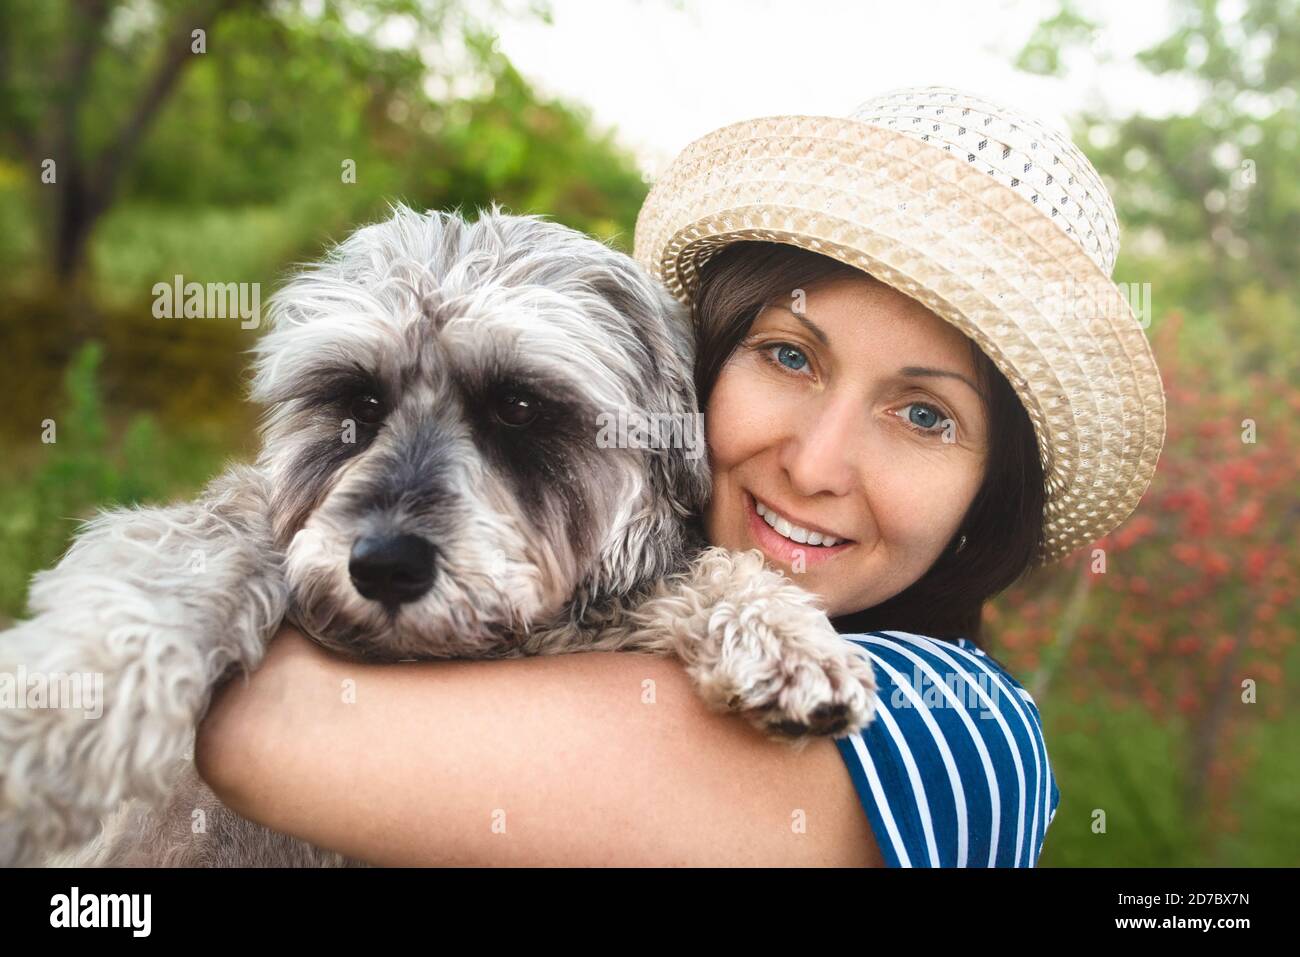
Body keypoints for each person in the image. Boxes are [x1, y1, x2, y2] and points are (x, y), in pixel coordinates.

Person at [195, 85, 1167, 867]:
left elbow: (269, 733)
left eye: (924, 415)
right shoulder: (576, 582)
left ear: (984, 498)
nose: (815, 463)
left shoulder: (962, 734)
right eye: (789, 356)